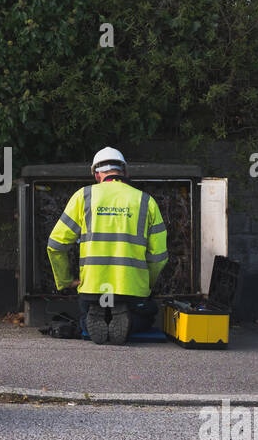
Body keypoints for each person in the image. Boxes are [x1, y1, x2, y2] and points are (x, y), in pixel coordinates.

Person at [46, 147, 167, 344]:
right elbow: (159, 256)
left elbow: (56, 245)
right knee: (148, 314)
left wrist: (65, 280)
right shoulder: (146, 201)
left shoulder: (83, 197)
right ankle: (126, 321)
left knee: (87, 314)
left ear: (96, 174)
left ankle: (96, 317)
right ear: (125, 172)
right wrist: (146, 283)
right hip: (130, 289)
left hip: (94, 288)